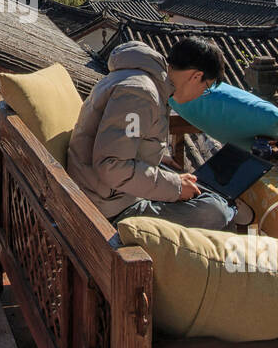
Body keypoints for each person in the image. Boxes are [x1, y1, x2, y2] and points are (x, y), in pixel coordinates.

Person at [66, 38, 234, 230]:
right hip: (107, 208)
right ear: (196, 76)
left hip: (105, 192)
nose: (200, 94)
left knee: (208, 196)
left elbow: (121, 138)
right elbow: (112, 165)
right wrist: (176, 186)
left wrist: (156, 155)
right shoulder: (140, 94)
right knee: (216, 211)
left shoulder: (137, 78)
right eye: (206, 88)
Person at [166, 37, 278, 151]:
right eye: (207, 87)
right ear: (197, 76)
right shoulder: (154, 97)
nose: (203, 93)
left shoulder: (164, 86)